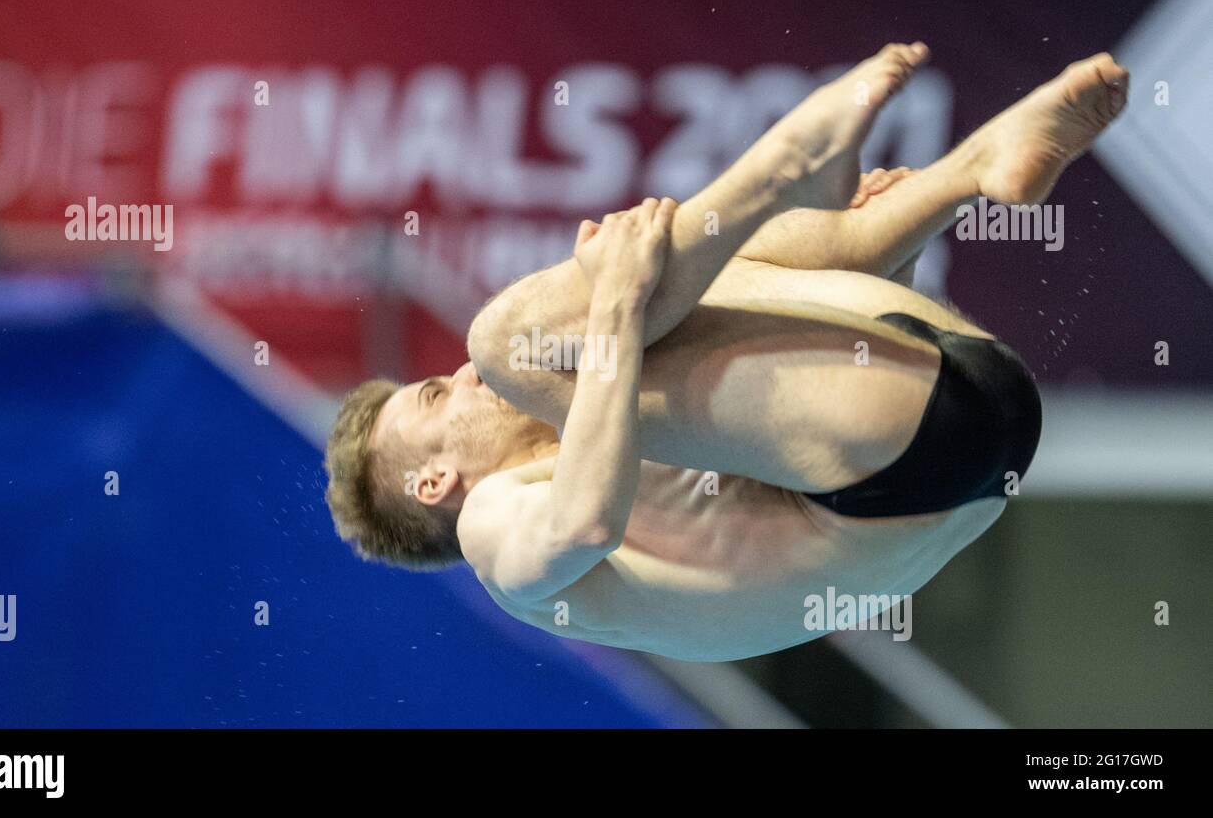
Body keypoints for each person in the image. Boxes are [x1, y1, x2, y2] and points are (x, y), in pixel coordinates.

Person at [325, 43, 1129, 660]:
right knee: (511, 339)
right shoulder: (496, 538)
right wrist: (614, 299)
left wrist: (876, 264)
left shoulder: (634, 439)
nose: (460, 378)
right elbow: (582, 524)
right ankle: (784, 166)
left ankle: (958, 179)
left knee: (654, 314)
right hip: (901, 464)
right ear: (434, 481)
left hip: (962, 424)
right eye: (436, 394)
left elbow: (801, 411)